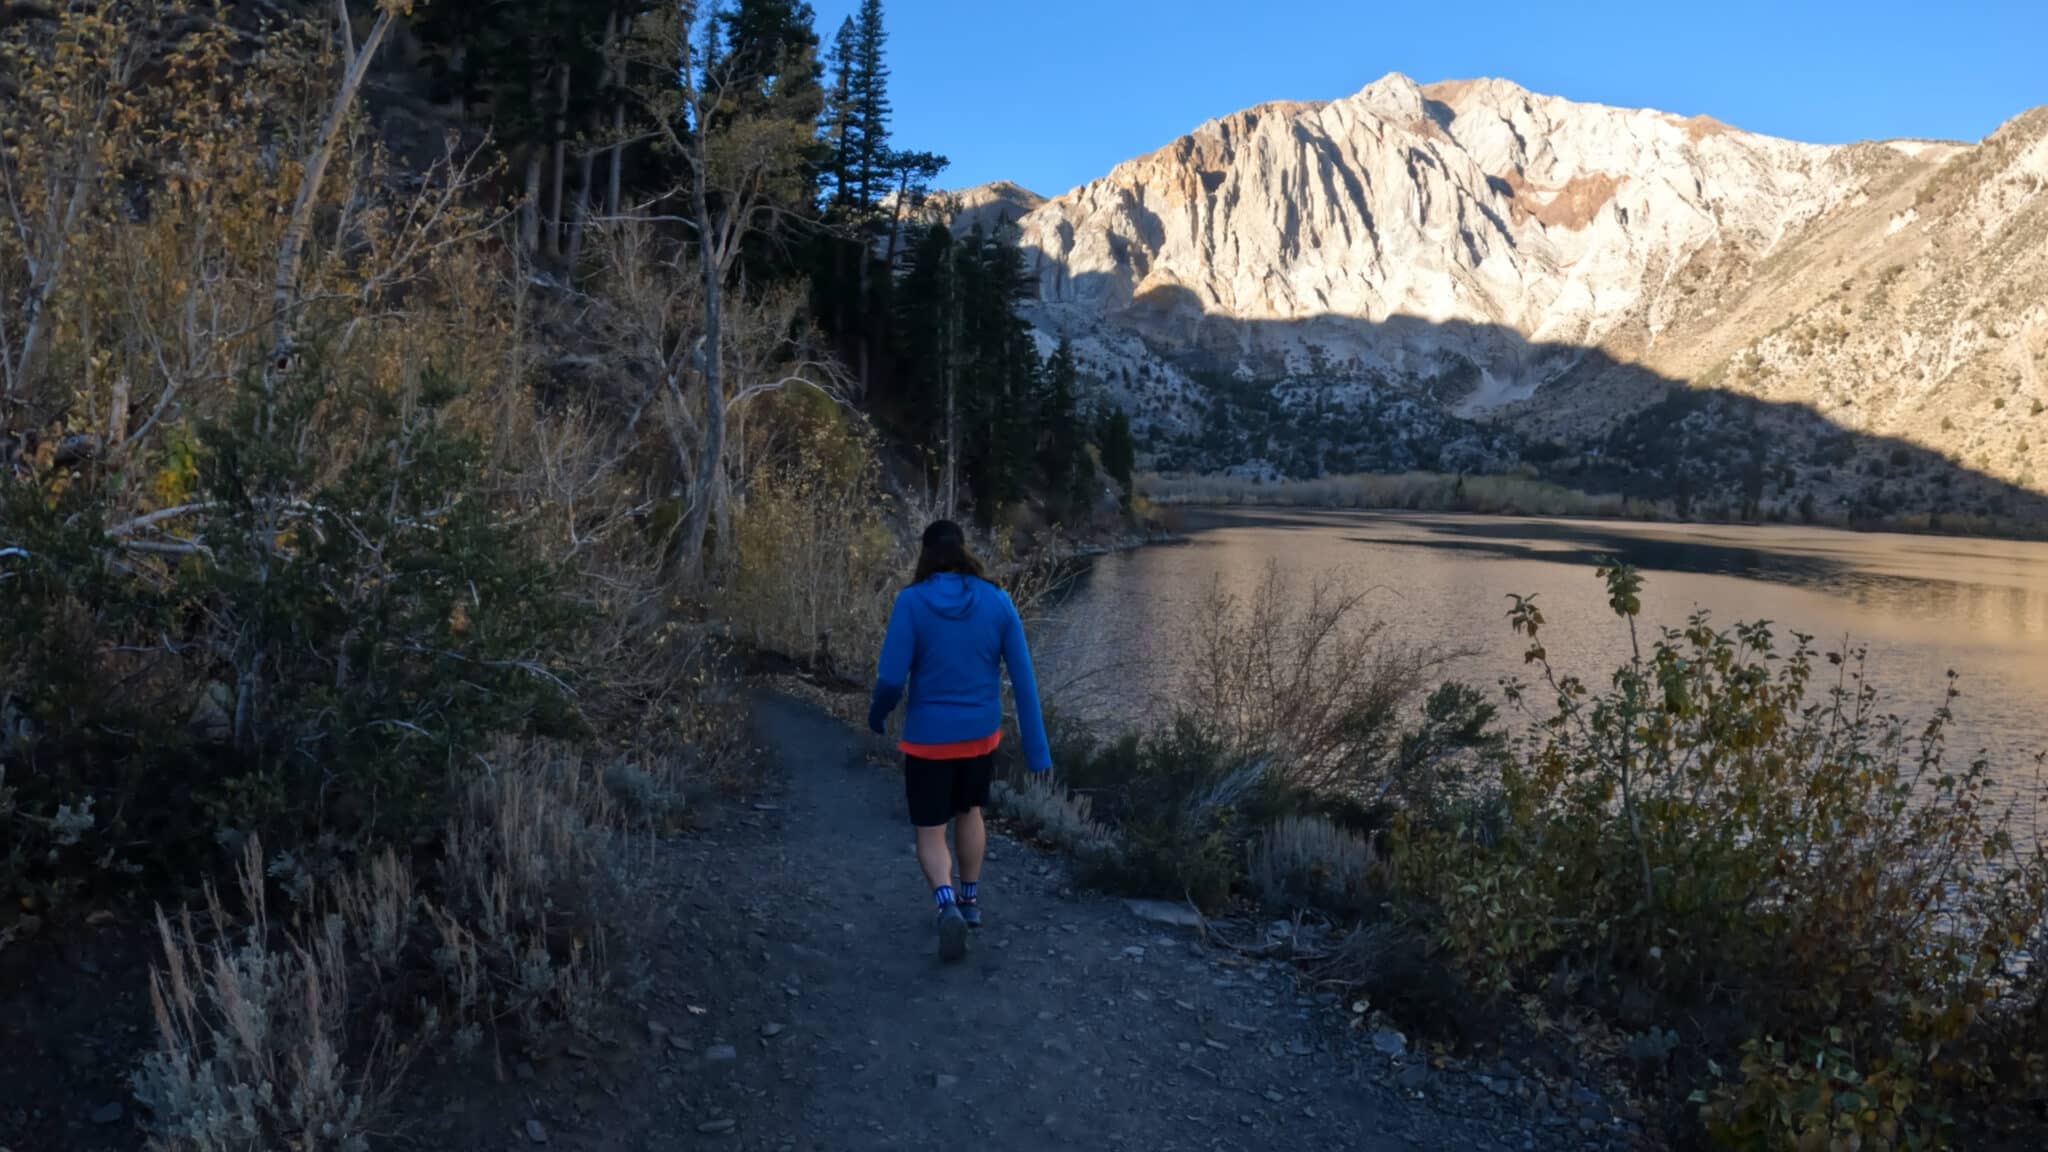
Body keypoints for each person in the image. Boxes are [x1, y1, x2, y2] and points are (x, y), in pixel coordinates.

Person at [868, 520, 1051, 962]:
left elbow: (891, 678)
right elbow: (1025, 684)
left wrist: (877, 715)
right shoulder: (998, 600)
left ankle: (945, 902)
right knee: (970, 812)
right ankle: (970, 902)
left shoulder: (911, 602)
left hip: (929, 739)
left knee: (930, 831)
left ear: (926, 555)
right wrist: (1038, 752)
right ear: (965, 551)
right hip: (979, 736)